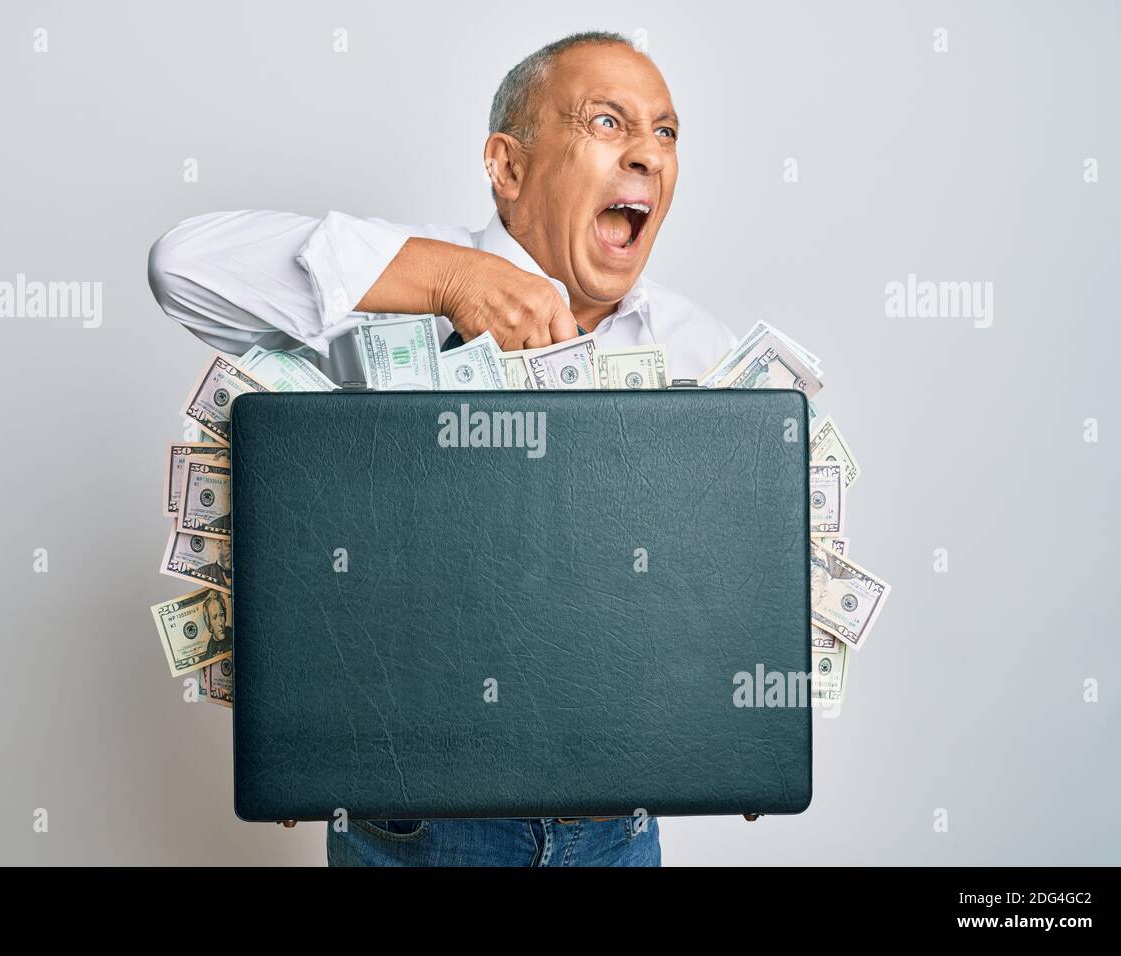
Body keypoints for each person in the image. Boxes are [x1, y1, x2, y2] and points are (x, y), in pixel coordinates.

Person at [149, 30, 737, 867]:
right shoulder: (398, 279)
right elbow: (181, 268)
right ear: (507, 166)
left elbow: (709, 588)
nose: (647, 153)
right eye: (608, 123)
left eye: (666, 133)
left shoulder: (698, 347)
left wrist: (733, 738)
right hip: (417, 823)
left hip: (618, 827)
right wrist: (452, 280)